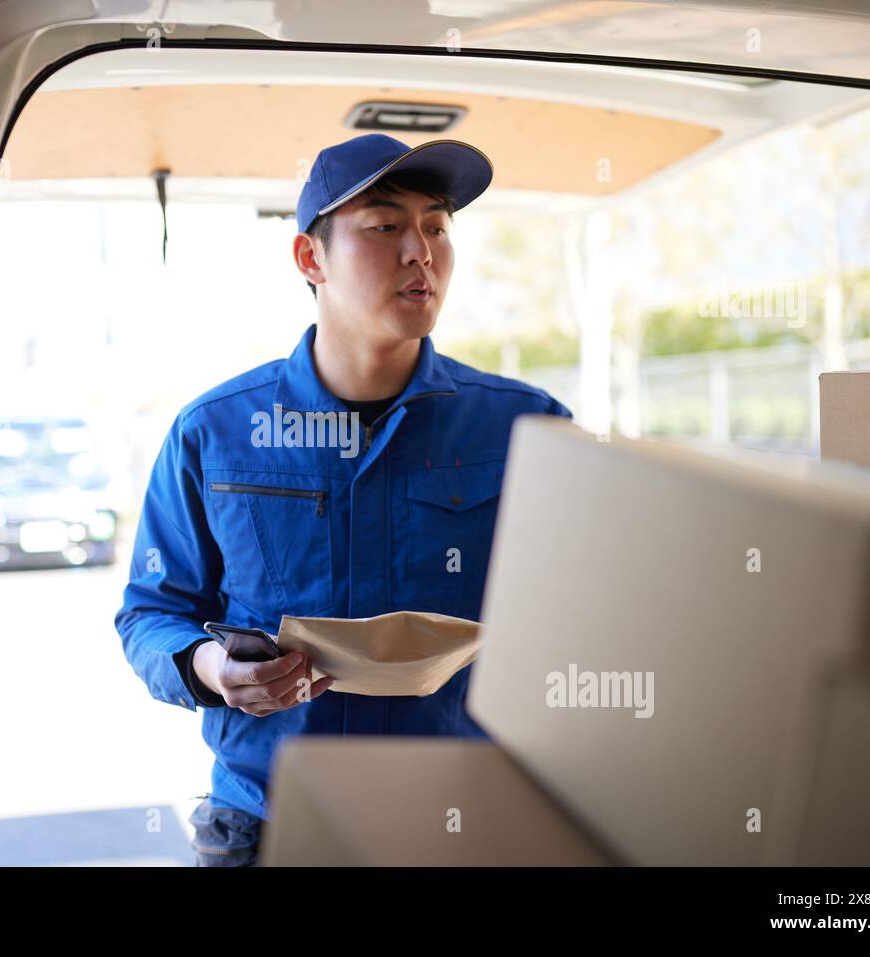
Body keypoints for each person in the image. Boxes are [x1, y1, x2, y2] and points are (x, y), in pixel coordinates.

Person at [114, 133, 573, 866]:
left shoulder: (529, 427)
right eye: (386, 226)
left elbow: (585, 615)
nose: (420, 250)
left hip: (459, 821)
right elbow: (150, 612)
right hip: (266, 823)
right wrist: (210, 668)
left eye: (437, 225)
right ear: (310, 258)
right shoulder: (216, 432)